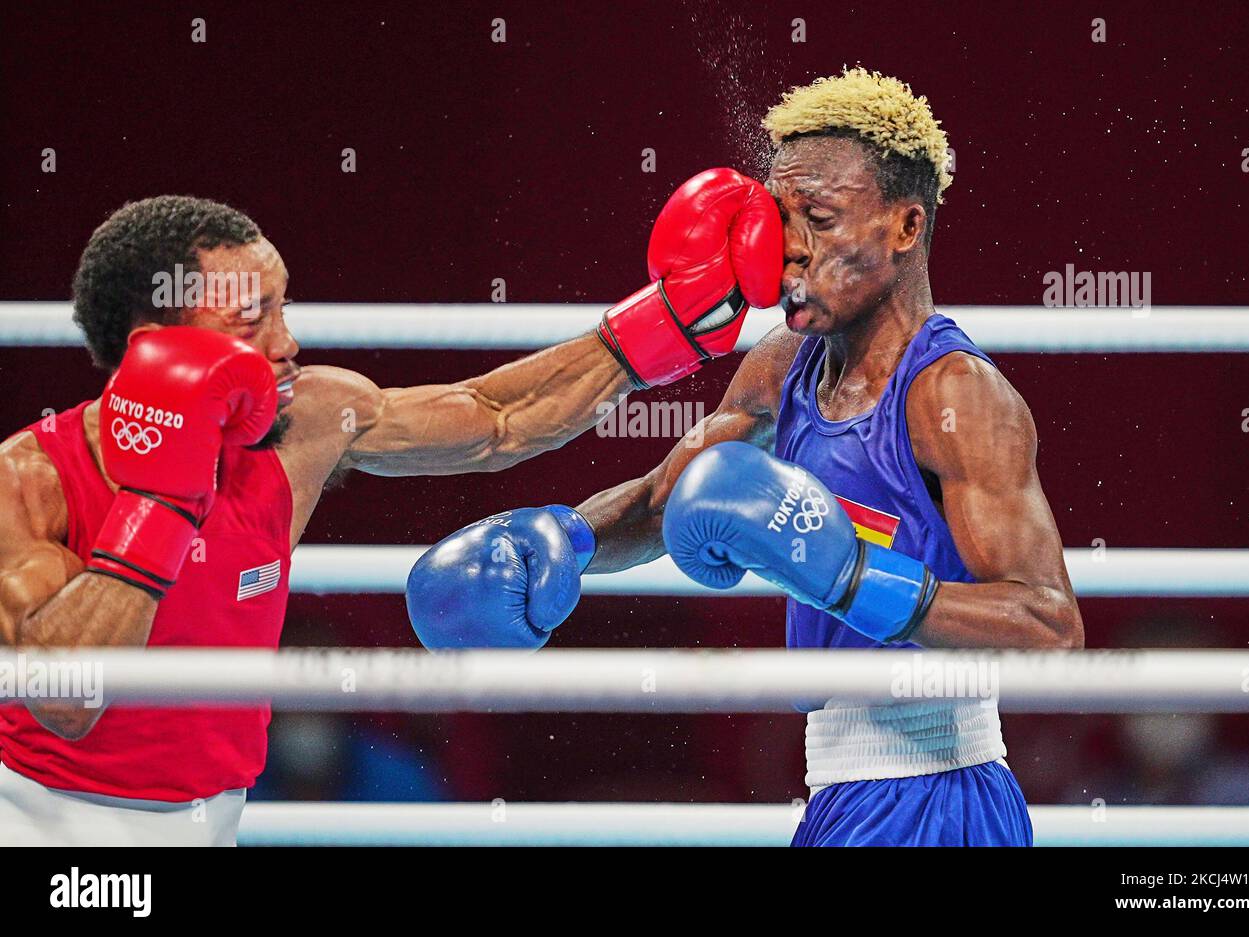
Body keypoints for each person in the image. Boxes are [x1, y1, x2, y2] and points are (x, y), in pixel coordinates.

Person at [0, 170, 781, 845]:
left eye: (283, 308)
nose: (286, 342)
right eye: (251, 321)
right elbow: (65, 700)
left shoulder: (300, 424)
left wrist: (667, 323)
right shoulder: (28, 479)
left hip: (210, 818)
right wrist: (160, 497)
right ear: (157, 345)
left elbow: (493, 417)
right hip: (46, 829)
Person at [409, 69, 1084, 846]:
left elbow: (1049, 626)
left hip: (941, 793)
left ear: (905, 227)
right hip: (843, 791)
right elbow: (672, 499)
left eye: (822, 220)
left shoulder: (954, 394)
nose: (790, 249)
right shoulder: (784, 360)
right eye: (780, 217)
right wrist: (564, 541)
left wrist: (856, 576)